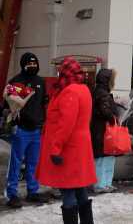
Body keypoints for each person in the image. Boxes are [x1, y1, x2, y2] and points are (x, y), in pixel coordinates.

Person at [36, 57, 96, 224]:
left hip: (68, 149)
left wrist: (55, 148)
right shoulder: (83, 89)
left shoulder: (69, 91)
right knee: (80, 189)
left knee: (68, 192)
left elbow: (66, 125)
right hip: (80, 147)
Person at [4, 52, 48, 208]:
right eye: (29, 64)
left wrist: (44, 122)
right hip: (21, 128)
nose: (32, 66)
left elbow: (44, 103)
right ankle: (12, 194)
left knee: (33, 163)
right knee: (15, 163)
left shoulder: (41, 82)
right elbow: (6, 104)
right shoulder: (15, 81)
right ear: (23, 64)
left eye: (35, 63)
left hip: (36, 129)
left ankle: (32, 191)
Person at [90, 68, 118, 193]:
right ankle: (101, 184)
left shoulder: (98, 91)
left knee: (105, 157)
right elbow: (105, 110)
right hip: (102, 130)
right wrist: (113, 118)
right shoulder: (102, 93)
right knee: (103, 157)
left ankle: (104, 183)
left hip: (100, 130)